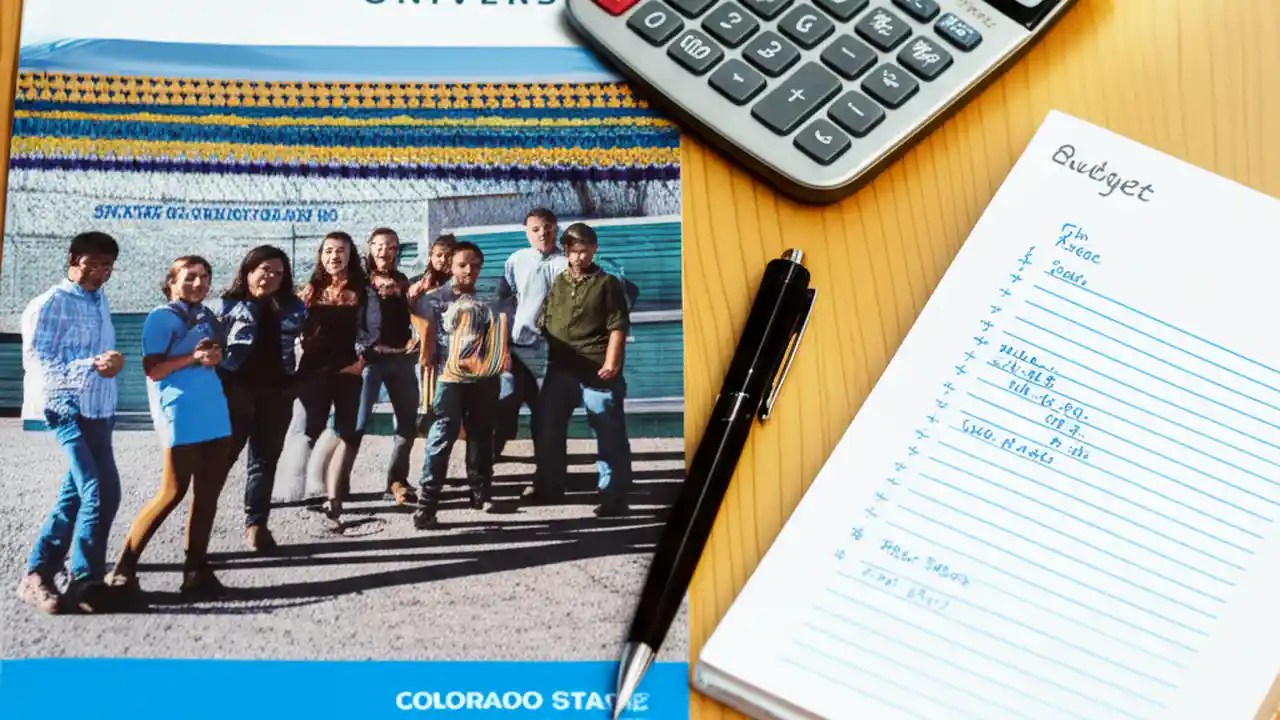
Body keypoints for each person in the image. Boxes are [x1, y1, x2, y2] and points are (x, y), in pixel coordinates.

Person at [107, 256, 234, 598]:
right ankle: (124, 568)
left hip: (214, 409)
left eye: (205, 277)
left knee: (208, 495)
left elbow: (214, 357)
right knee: (172, 492)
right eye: (190, 277)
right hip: (181, 411)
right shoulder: (161, 318)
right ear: (172, 282)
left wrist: (214, 358)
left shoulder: (207, 316)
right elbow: (154, 370)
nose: (199, 284)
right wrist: (194, 358)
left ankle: (196, 572)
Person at [16, 231, 125, 614]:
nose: (98, 273)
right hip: (65, 408)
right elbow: (39, 363)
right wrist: (92, 364)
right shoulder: (49, 303)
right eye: (91, 264)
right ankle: (86, 580)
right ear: (73, 259)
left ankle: (38, 574)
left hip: (99, 409)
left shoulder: (99, 300)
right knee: (99, 490)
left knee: (76, 494)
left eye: (106, 267)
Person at [205, 245, 306, 553]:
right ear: (248, 271)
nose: (270, 277)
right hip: (236, 392)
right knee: (220, 461)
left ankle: (256, 526)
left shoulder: (294, 308)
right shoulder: (224, 306)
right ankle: (200, 530)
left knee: (264, 461)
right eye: (264, 270)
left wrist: (296, 383)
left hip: (277, 393)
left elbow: (309, 345)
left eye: (278, 273)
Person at [536, 223, 633, 517]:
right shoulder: (559, 282)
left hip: (597, 371)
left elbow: (618, 326)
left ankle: (613, 495)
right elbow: (546, 318)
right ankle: (550, 489)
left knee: (607, 431)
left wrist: (612, 363)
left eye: (585, 251)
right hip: (561, 369)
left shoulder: (607, 283)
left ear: (594, 250)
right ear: (565, 251)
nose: (579, 257)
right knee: (548, 428)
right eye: (574, 251)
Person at [410, 241, 509, 529]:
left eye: (475, 264)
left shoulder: (490, 296)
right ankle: (427, 504)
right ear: (450, 267)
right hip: (448, 378)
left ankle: (481, 492)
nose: (469, 270)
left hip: (483, 378)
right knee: (443, 434)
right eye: (462, 264)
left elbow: (499, 331)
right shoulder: (433, 299)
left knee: (481, 432)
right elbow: (423, 336)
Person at [290, 231, 369, 532]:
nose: (334, 256)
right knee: (311, 429)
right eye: (329, 251)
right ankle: (314, 491)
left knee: (348, 431)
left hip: (348, 371)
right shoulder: (308, 292)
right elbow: (294, 328)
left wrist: (362, 362)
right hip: (314, 371)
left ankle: (335, 496)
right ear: (320, 256)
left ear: (351, 255)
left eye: (341, 251)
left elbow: (373, 328)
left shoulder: (362, 291)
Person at [495, 208, 568, 504]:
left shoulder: (567, 263)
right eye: (536, 229)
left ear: (557, 230)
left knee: (546, 420)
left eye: (548, 228)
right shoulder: (516, 260)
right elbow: (503, 303)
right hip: (517, 350)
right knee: (502, 407)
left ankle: (547, 484)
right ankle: (483, 471)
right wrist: (501, 349)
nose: (543, 234)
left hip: (554, 353)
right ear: (526, 231)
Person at [351, 228, 420, 506]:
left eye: (390, 246)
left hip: (401, 360)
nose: (384, 251)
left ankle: (397, 480)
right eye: (379, 246)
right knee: (355, 424)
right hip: (369, 361)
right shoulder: (358, 281)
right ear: (369, 248)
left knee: (407, 423)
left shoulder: (402, 281)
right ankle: (337, 486)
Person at [408, 234, 457, 427]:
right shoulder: (417, 282)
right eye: (438, 255)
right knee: (423, 384)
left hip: (449, 346)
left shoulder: (459, 284)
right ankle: (423, 419)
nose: (443, 260)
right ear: (431, 256)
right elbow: (407, 312)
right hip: (422, 343)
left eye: (448, 256)